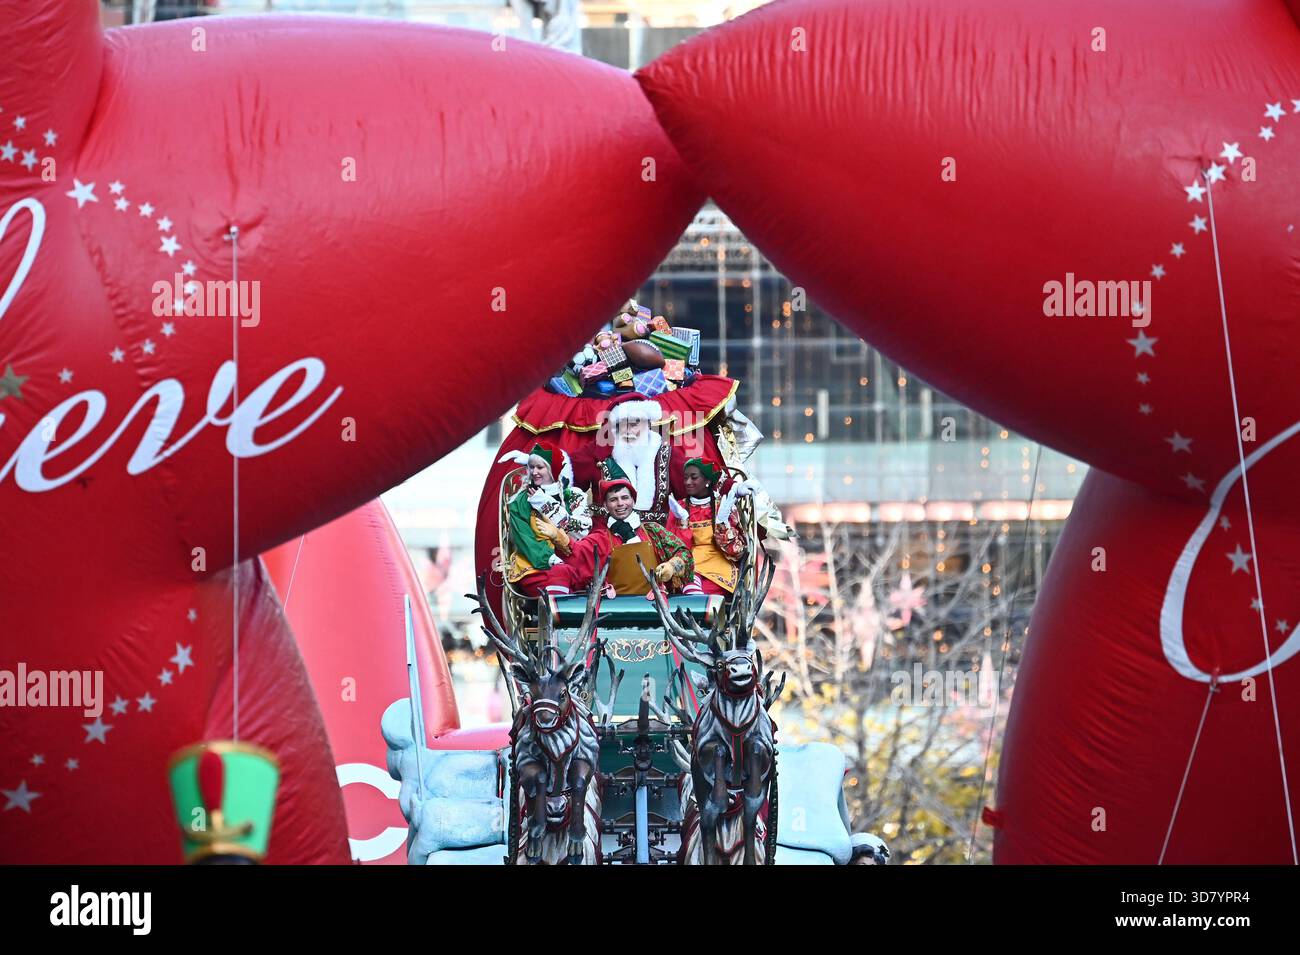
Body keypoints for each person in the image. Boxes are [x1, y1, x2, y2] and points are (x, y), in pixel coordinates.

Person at [499, 442, 592, 597]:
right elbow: (524, 539)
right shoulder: (521, 501)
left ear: (552, 468)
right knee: (560, 575)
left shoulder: (574, 496)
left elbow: (581, 531)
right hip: (537, 566)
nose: (534, 471)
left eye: (540, 467)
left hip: (573, 560)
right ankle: (558, 617)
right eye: (531, 467)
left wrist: (544, 503)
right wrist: (549, 558)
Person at [668, 456, 750, 595]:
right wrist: (683, 522)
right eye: (685, 477)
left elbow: (737, 553)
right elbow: (673, 549)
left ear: (707, 480)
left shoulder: (723, 506)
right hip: (689, 564)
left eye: (694, 477)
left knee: (705, 594)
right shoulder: (679, 507)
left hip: (718, 566)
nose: (687, 482)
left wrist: (722, 524)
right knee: (690, 585)